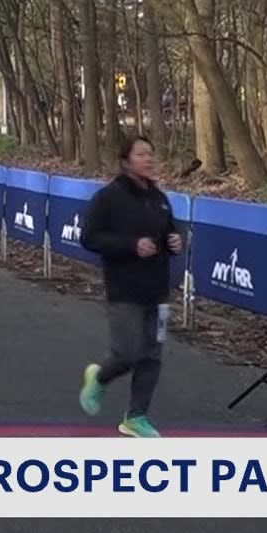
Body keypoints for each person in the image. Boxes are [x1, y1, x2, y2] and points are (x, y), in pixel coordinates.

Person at [77, 136, 182, 439]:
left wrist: (174, 241)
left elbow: (170, 231)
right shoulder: (109, 197)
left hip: (157, 290)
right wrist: (131, 246)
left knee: (152, 356)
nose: (149, 159)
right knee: (127, 353)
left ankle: (136, 416)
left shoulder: (159, 198)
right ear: (126, 161)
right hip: (125, 289)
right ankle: (99, 376)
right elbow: (90, 238)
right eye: (141, 154)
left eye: (151, 153)